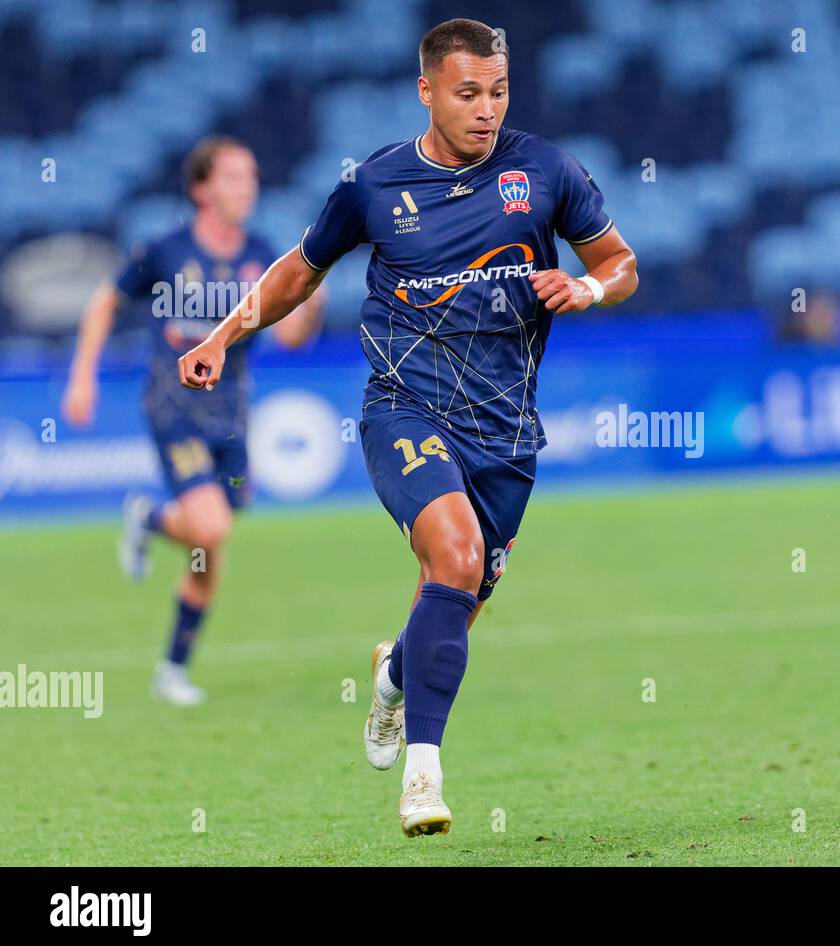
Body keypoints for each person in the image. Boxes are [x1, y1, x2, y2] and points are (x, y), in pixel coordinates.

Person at [175, 19, 638, 836]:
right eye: (468, 93)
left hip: (506, 430)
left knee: (456, 597)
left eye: (498, 92)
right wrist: (221, 335)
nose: (486, 109)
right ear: (426, 89)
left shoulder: (547, 170)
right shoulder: (374, 186)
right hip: (404, 408)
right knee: (455, 555)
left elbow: (620, 262)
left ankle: (392, 675)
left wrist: (590, 291)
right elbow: (296, 271)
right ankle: (423, 777)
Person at [62, 136, 325, 705]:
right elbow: (105, 301)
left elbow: (290, 336)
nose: (246, 188)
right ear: (202, 188)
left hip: (231, 417)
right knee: (210, 530)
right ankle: (173, 658)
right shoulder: (163, 249)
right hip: (173, 407)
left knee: (214, 534)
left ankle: (154, 540)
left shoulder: (263, 253)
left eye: (251, 177)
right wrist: (82, 376)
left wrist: (313, 304)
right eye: (233, 177)